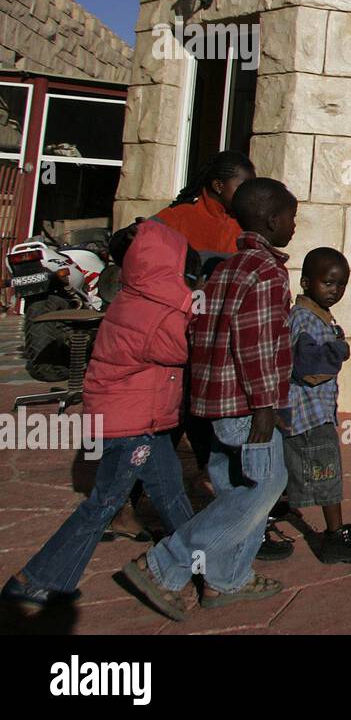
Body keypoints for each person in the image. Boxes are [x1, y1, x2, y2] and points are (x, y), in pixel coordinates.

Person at [121, 178, 297, 621]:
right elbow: (257, 344)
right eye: (292, 217)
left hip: (214, 404)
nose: (295, 226)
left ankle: (225, 578)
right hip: (246, 408)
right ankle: (165, 565)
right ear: (274, 220)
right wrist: (264, 406)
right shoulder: (266, 272)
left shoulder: (226, 268)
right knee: (263, 487)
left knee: (233, 489)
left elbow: (201, 331)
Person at [1, 224, 200, 609]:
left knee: (172, 493)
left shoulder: (134, 298)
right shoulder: (158, 309)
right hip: (130, 427)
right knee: (104, 503)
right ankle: (36, 578)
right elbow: (180, 349)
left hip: (143, 421)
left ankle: (203, 563)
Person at [104, 151, 256, 546]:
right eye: (241, 183)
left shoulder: (242, 227)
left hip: (212, 347)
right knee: (165, 431)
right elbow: (130, 251)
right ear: (218, 185)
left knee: (199, 431)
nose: (246, 192)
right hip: (174, 346)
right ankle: (122, 509)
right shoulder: (177, 220)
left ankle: (231, 509)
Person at [281, 247, 351, 563]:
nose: (334, 291)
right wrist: (339, 350)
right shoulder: (305, 319)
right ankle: (334, 536)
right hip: (308, 417)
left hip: (311, 413)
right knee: (327, 475)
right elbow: (308, 368)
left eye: (340, 285)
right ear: (307, 282)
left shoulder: (315, 316)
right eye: (328, 283)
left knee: (294, 473)